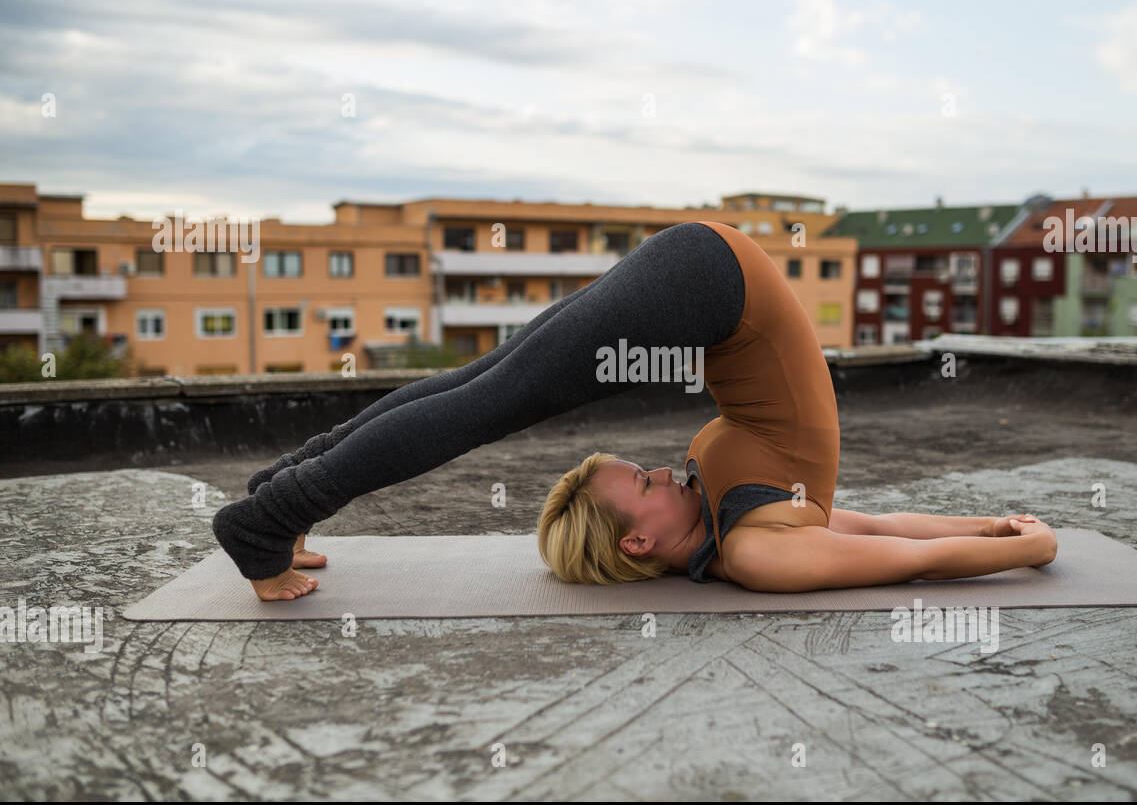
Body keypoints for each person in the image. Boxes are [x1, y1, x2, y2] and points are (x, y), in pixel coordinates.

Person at [215, 221, 1057, 601]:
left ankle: (274, 500)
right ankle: (271, 510)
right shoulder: (766, 552)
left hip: (705, 282)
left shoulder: (752, 535)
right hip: (707, 281)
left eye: (646, 475)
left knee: (484, 391)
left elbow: (878, 534)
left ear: (639, 545)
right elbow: (895, 547)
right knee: (483, 393)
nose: (661, 468)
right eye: (648, 478)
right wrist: (1016, 541)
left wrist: (1002, 537)